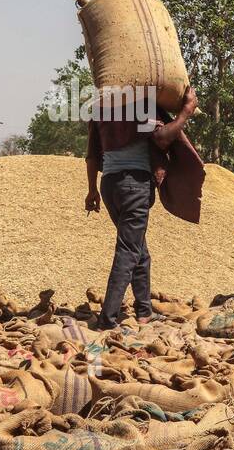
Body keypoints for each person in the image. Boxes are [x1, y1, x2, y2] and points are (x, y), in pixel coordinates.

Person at [84, 85, 202, 330]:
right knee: (128, 250)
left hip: (110, 186)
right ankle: (107, 319)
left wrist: (92, 189)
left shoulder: (102, 106)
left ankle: (144, 311)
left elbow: (92, 154)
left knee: (139, 250)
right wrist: (186, 112)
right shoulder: (141, 102)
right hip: (133, 185)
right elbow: (161, 138)